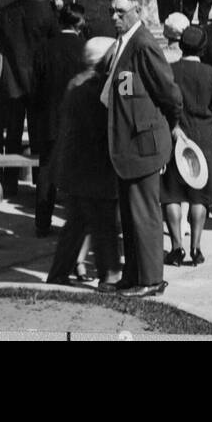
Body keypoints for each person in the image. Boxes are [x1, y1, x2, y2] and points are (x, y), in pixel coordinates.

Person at [101, 0, 186, 296]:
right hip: (128, 145)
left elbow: (171, 93)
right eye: (112, 11)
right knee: (131, 214)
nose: (114, 17)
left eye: (120, 12)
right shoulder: (125, 43)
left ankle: (151, 280)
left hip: (143, 145)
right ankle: (132, 276)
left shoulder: (144, 44)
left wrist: (171, 125)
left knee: (145, 215)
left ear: (136, 11)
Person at [47, 36, 122, 288]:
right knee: (104, 223)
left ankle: (59, 273)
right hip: (93, 167)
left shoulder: (76, 83)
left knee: (77, 223)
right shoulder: (96, 86)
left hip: (73, 165)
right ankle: (109, 276)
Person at [159, 19, 212, 266]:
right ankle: (196, 246)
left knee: (171, 194)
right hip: (204, 137)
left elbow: (164, 106)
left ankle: (176, 247)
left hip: (176, 136)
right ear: (202, 48)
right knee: (200, 197)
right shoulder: (210, 74)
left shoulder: (170, 70)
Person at [0, 0, 57, 188]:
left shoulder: (5, 12)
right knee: (39, 134)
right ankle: (39, 183)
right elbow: (54, 43)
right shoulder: (47, 11)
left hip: (12, 81)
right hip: (38, 82)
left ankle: (9, 183)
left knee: (12, 134)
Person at [29, 3, 87, 237]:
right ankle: (78, 224)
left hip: (50, 119)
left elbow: (35, 88)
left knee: (46, 173)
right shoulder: (84, 48)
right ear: (80, 23)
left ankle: (42, 223)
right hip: (78, 121)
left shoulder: (44, 48)